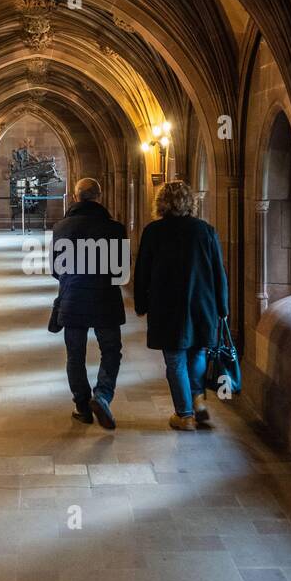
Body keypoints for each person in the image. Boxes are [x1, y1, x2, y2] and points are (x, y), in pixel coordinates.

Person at [133, 179, 229, 431]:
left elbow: (142, 270)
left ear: (161, 203)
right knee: (197, 352)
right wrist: (223, 306)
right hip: (202, 304)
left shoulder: (153, 231)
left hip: (167, 305)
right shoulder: (206, 231)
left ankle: (185, 414)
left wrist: (141, 303)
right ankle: (197, 401)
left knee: (174, 358)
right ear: (191, 201)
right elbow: (219, 272)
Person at [50, 178, 126, 429]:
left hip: (72, 298)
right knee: (111, 351)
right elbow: (121, 273)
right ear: (99, 196)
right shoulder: (115, 229)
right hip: (106, 300)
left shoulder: (61, 228)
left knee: (75, 355)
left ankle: (82, 407)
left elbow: (55, 269)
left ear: (75, 196)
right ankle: (102, 396)